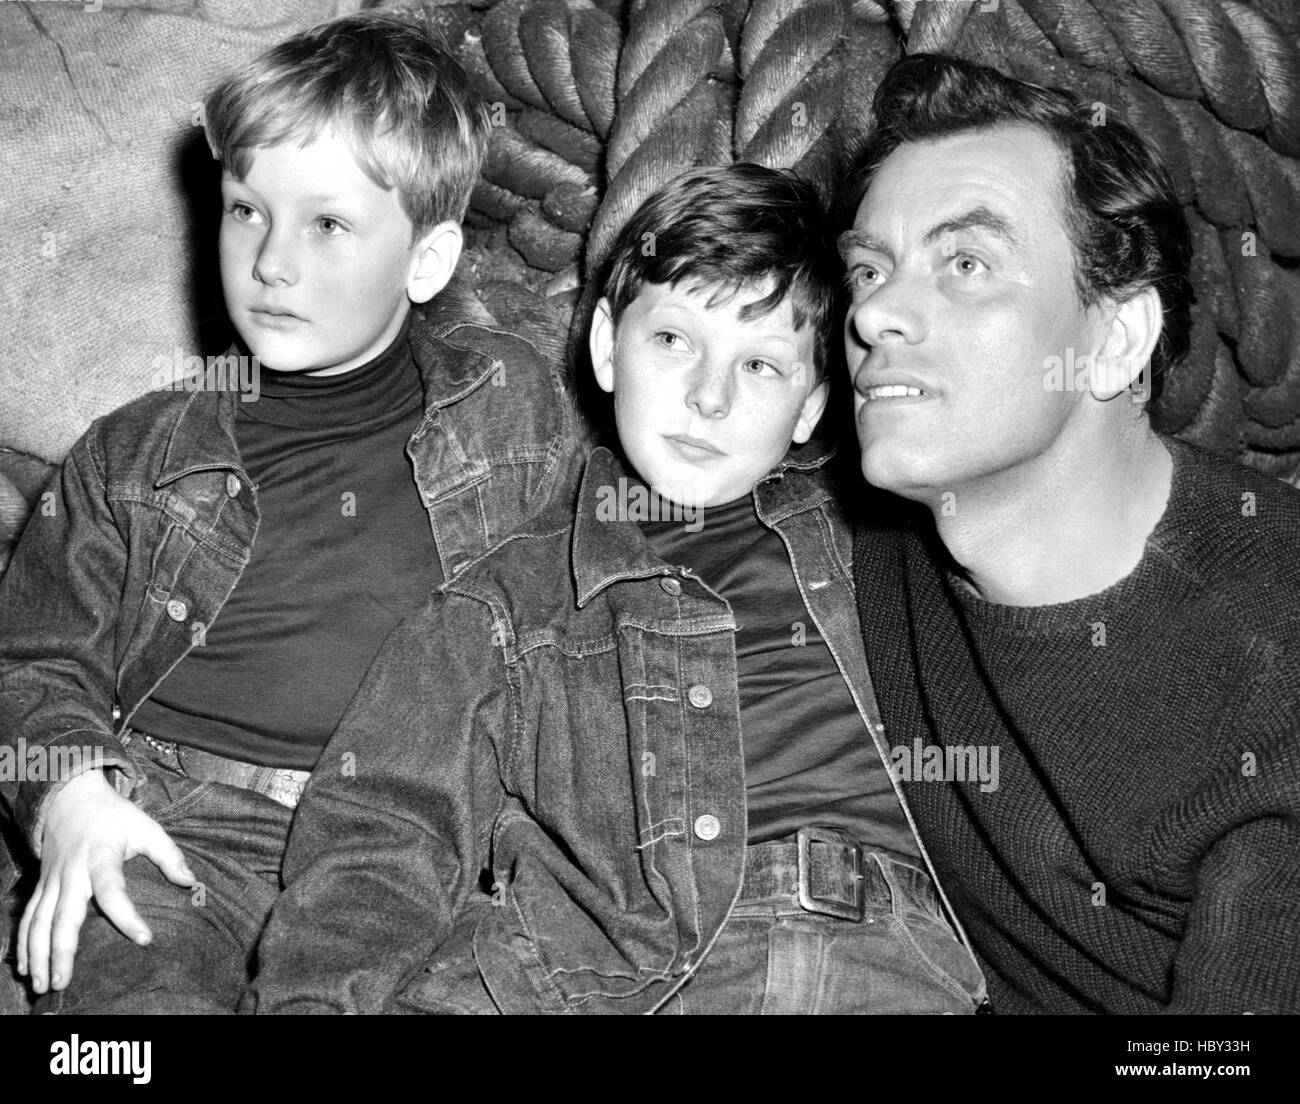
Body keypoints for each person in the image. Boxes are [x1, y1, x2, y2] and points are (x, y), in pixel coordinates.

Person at [248, 162, 987, 1015]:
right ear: (606, 345)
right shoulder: (501, 606)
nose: (708, 398)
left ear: (812, 407)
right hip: (606, 979)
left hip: (890, 959)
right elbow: (383, 839)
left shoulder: (890, 546)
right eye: (672, 340)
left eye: (760, 365)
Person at [0, 9, 580, 1014]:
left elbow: (597, 606)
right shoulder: (133, 453)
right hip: (171, 828)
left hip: (424, 852)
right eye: (246, 210)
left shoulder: (511, 412)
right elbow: (30, 660)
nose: (271, 261)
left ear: (428, 261)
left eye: (327, 224)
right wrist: (72, 797)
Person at [841, 53, 1300, 1013]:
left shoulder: (1272, 679)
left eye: (966, 265)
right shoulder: (850, 539)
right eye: (869, 269)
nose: (875, 313)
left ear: (1116, 339)